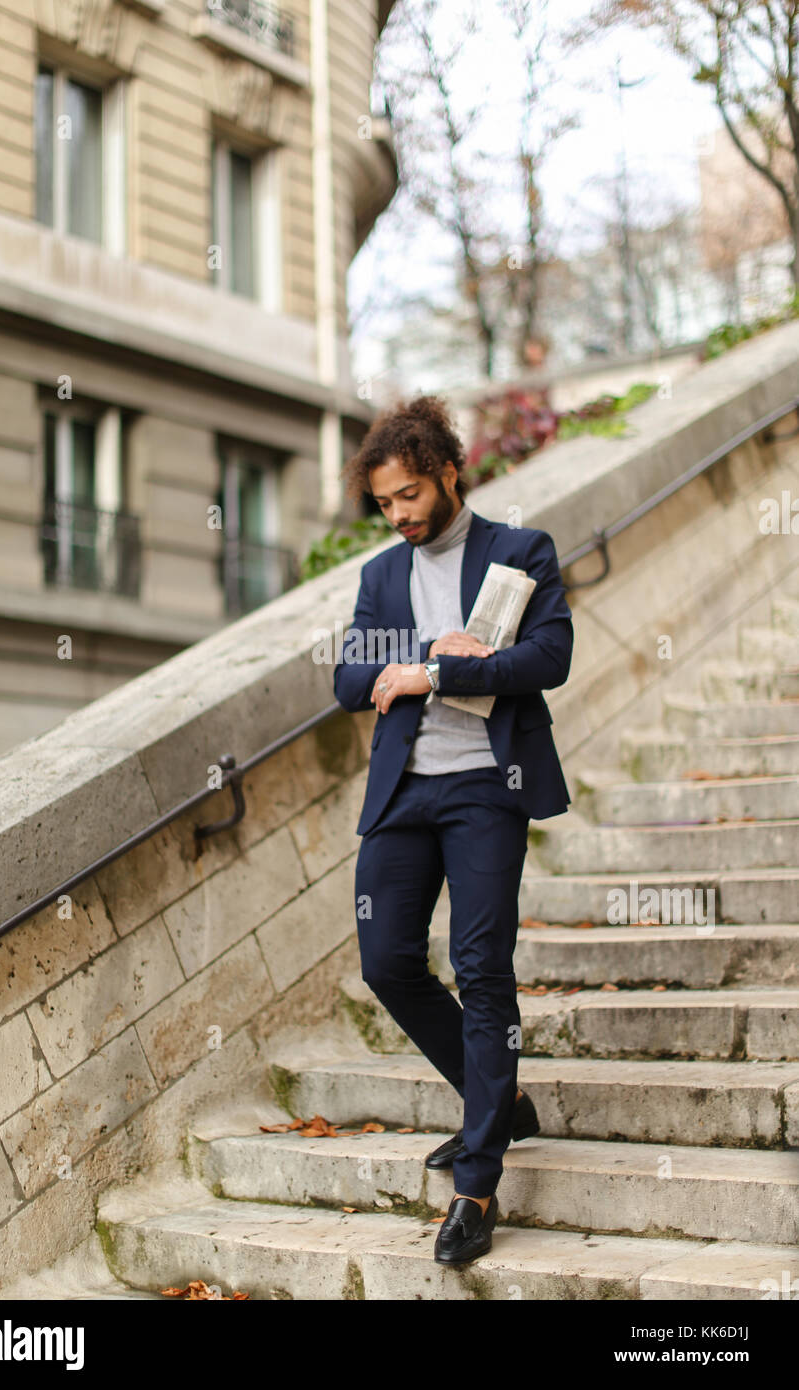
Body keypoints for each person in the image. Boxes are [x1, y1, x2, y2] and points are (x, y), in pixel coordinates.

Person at [333, 394, 574, 1265]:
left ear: (447, 470)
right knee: (387, 960)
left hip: (486, 787)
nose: (398, 515)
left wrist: (432, 672)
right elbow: (348, 681)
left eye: (408, 495)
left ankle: (477, 1182)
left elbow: (550, 656)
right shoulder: (380, 577)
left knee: (481, 967)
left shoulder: (519, 551)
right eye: (385, 502)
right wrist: (399, 670)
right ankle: (498, 1101)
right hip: (404, 793)